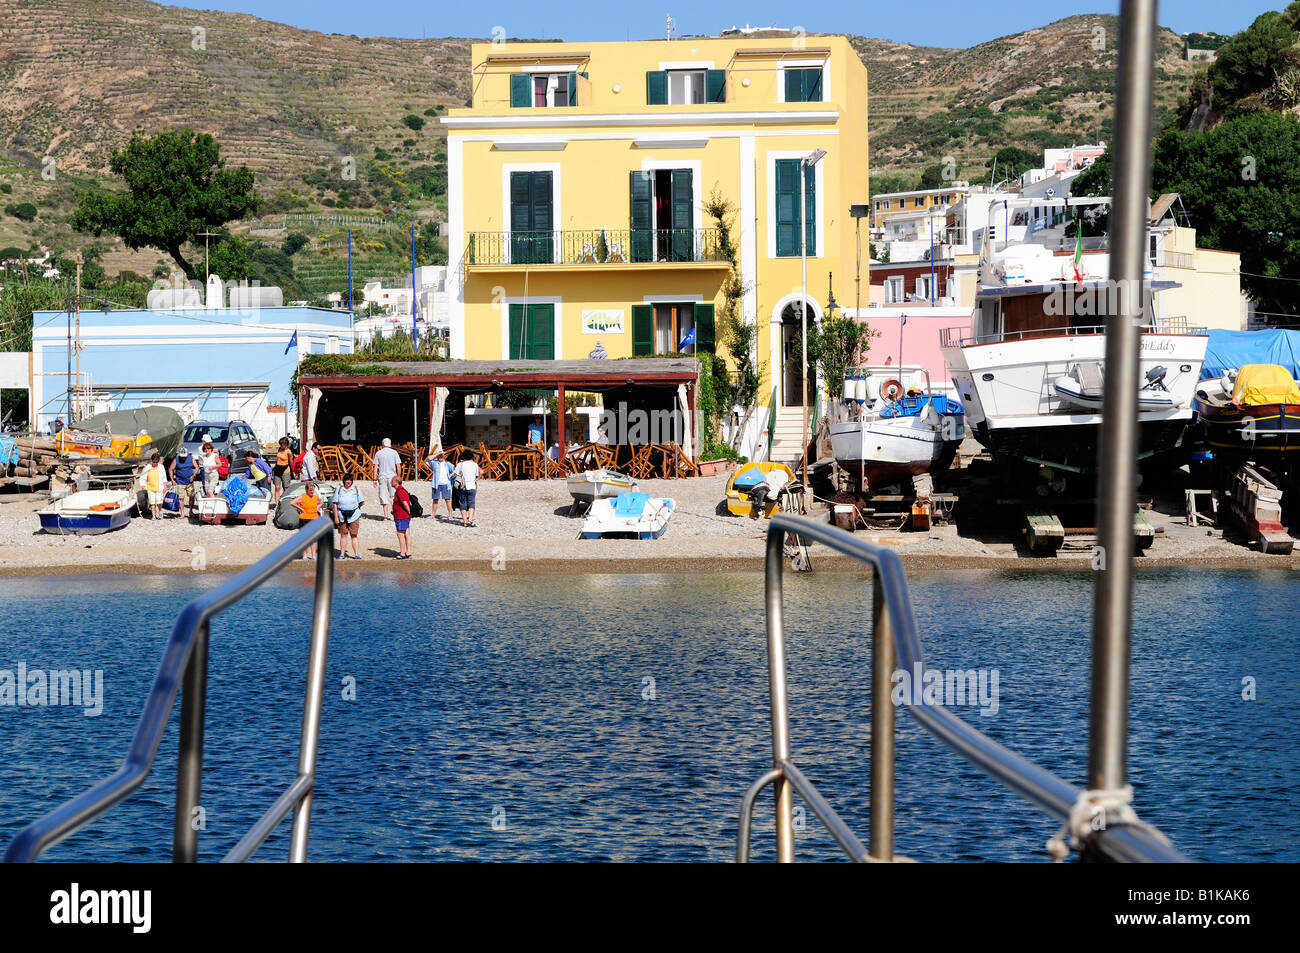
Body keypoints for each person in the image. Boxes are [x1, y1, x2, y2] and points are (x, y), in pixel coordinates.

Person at [332, 474, 365, 559]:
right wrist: (336, 517)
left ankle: (357, 554)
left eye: (350, 480)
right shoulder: (339, 489)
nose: (348, 482)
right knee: (343, 535)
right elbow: (335, 503)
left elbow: (362, 502)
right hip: (342, 515)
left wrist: (356, 508)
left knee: (354, 535)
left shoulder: (356, 489)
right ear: (344, 481)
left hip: (354, 515)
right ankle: (342, 554)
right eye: (347, 480)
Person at [373, 437, 402, 520]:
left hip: (382, 477)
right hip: (392, 477)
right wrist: (398, 476)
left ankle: (385, 516)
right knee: (393, 496)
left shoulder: (378, 453)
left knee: (383, 496)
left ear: (382, 444)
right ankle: (395, 514)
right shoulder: (394, 453)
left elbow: (376, 467)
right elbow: (398, 466)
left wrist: (374, 479)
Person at [291, 481, 322, 560]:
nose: (312, 492)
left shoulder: (315, 497)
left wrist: (317, 508)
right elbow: (292, 502)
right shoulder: (303, 496)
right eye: (310, 490)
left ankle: (314, 555)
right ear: (306, 490)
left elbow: (320, 503)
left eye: (313, 490)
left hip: (314, 518)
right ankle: (304, 555)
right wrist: (301, 508)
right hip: (304, 518)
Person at [453, 448, 481, 528]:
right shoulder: (474, 465)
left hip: (462, 486)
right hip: (472, 486)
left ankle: (465, 521)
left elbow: (456, 474)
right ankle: (470, 520)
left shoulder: (460, 464)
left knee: (463, 504)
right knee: (471, 503)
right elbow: (477, 474)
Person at [138, 451, 168, 519]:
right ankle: (154, 515)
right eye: (154, 462)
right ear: (152, 461)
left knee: (159, 502)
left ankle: (160, 511)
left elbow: (164, 477)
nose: (155, 463)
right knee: (152, 503)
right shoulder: (148, 467)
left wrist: (165, 485)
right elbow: (143, 476)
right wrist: (142, 484)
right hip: (150, 487)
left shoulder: (161, 467)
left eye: (156, 462)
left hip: (159, 487)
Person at [170, 447, 198, 516]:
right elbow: (171, 469)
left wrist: (194, 475)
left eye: (184, 457)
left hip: (189, 481)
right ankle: (182, 513)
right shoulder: (176, 460)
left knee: (191, 496)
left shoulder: (191, 458)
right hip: (180, 481)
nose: (183, 458)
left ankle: (190, 511)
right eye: (182, 456)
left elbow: (197, 467)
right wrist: (172, 480)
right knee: (181, 498)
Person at [390, 476, 412, 559]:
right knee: (406, 534)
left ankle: (403, 553)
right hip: (404, 515)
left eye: (392, 480)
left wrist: (409, 512)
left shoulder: (400, 491)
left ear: (396, 482)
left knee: (400, 534)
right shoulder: (401, 490)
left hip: (401, 516)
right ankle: (408, 553)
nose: (391, 482)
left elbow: (405, 503)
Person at [430, 448, 454, 520]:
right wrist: (438, 453)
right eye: (439, 455)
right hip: (436, 484)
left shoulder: (447, 464)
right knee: (435, 499)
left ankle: (450, 515)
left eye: (442, 455)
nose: (441, 457)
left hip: (446, 484)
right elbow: (429, 458)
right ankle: (433, 515)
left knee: (448, 500)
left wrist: (450, 475)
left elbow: (455, 470)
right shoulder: (434, 463)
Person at [272, 437, 294, 505]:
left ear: (286, 444)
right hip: (277, 469)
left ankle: (285, 503)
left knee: (285, 488)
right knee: (277, 487)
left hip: (285, 470)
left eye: (282, 444)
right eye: (280, 444)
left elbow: (291, 462)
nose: (281, 446)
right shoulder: (279, 449)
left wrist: (293, 471)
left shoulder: (288, 451)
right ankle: (277, 504)